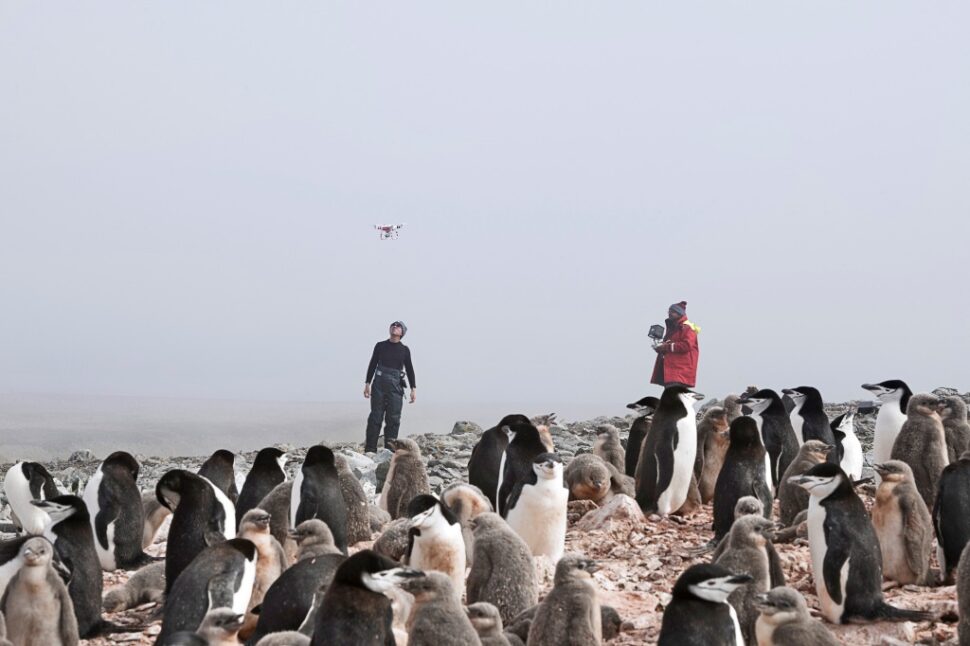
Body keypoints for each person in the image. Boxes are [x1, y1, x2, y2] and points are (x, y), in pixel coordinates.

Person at [363, 321, 417, 453]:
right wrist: (367, 383)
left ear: (402, 332)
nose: (395, 327)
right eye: (393, 325)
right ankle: (370, 450)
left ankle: (389, 451)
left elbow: (409, 369)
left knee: (393, 418)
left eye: (398, 326)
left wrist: (413, 389)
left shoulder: (404, 350)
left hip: (396, 386)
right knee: (375, 417)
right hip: (378, 384)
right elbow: (373, 364)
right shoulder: (380, 346)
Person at [650, 301, 700, 388]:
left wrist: (665, 347)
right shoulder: (673, 329)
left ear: (680, 313)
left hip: (680, 371)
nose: (669, 313)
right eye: (669, 311)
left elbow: (686, 345)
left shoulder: (687, 328)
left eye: (673, 311)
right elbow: (670, 347)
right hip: (671, 371)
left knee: (672, 394)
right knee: (670, 393)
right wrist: (660, 348)